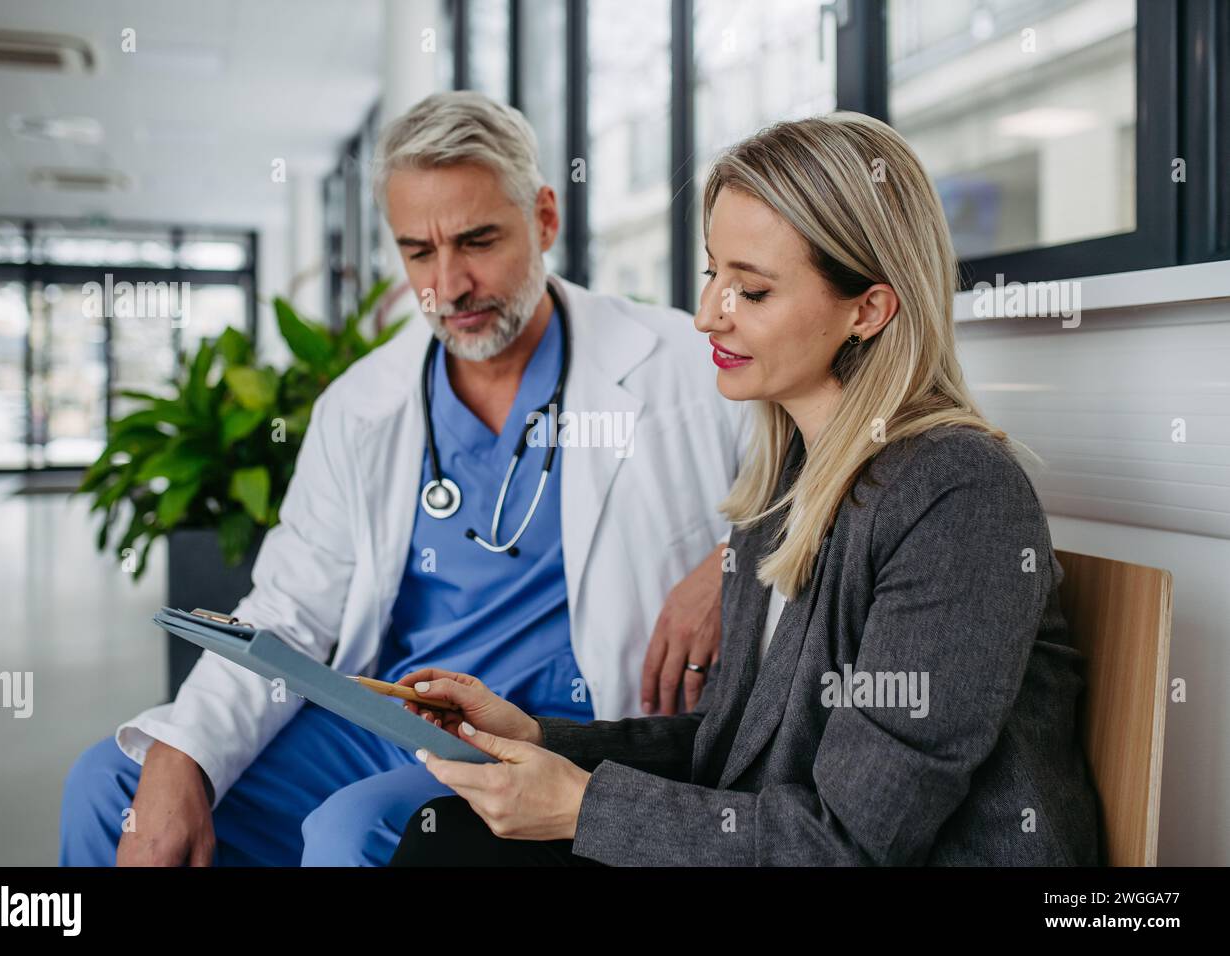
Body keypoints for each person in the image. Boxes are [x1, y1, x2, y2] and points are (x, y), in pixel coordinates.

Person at [387, 112, 1102, 866]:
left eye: (751, 292)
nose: (705, 317)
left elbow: (850, 844)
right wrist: (537, 737)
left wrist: (580, 805)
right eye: (712, 275)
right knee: (453, 837)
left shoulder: (957, 499)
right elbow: (734, 746)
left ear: (868, 309)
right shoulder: (786, 485)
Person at [59, 91, 745, 867]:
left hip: (550, 735)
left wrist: (733, 562)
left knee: (358, 833)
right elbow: (288, 607)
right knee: (112, 785)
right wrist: (184, 750)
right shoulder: (363, 404)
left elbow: (839, 471)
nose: (446, 286)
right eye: (419, 251)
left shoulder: (683, 364)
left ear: (545, 218)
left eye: (478, 241)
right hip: (394, 719)